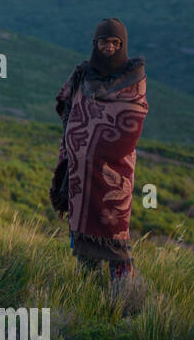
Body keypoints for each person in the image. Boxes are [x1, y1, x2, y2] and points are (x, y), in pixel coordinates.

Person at [49, 18, 148, 281]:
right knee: (82, 225)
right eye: (105, 42)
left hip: (116, 170)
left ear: (123, 44)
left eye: (116, 42)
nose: (110, 47)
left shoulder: (133, 78)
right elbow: (65, 104)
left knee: (115, 227)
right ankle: (88, 290)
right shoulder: (82, 74)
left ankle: (123, 294)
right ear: (96, 44)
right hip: (81, 169)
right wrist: (78, 139)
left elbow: (133, 118)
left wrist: (95, 140)